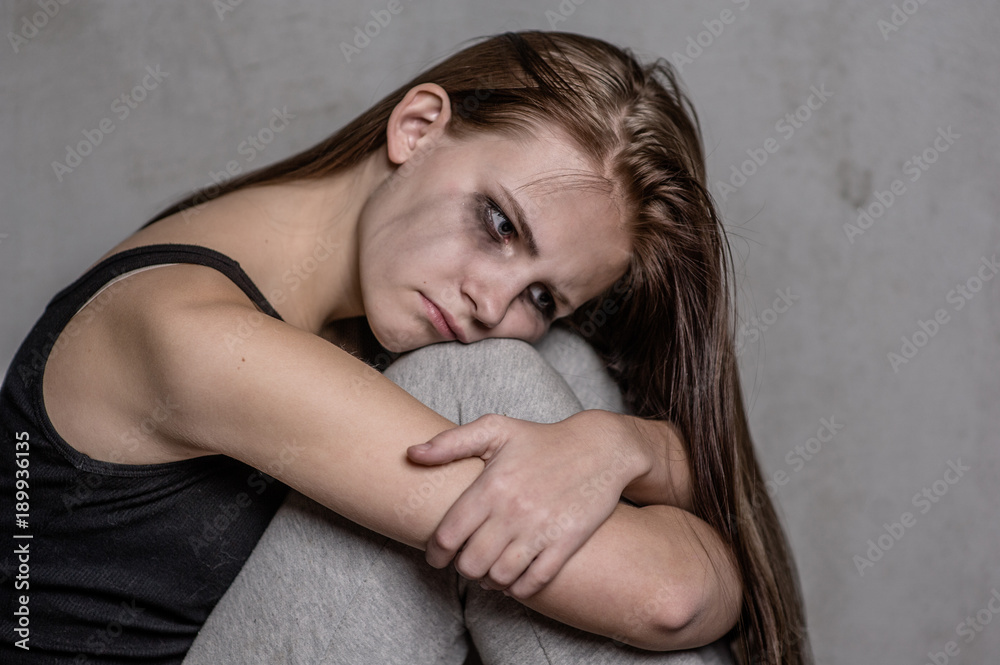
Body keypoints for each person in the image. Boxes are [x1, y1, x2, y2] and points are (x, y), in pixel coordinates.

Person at [0, 31, 810, 665]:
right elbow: (670, 595)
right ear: (418, 127)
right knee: (484, 377)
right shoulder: (195, 334)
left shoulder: (346, 291)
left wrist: (625, 443)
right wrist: (664, 494)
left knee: (551, 368)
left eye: (541, 293)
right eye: (499, 224)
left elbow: (703, 551)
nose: (491, 300)